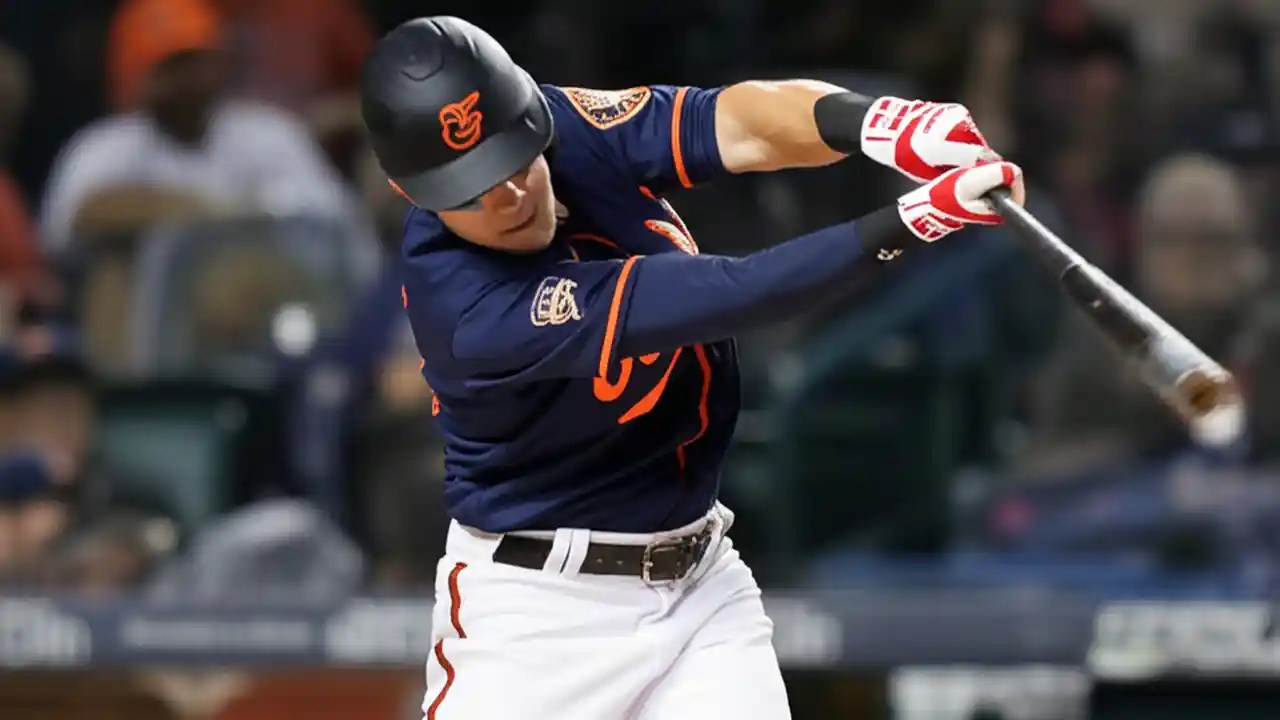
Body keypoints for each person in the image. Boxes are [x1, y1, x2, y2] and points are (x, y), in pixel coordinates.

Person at [360, 16, 1025, 720]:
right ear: (413, 192)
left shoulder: (559, 125)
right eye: (471, 190)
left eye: (513, 158)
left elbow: (735, 124)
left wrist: (880, 124)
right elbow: (731, 294)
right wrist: (911, 220)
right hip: (538, 618)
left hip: (699, 583)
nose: (509, 196)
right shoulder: (467, 308)